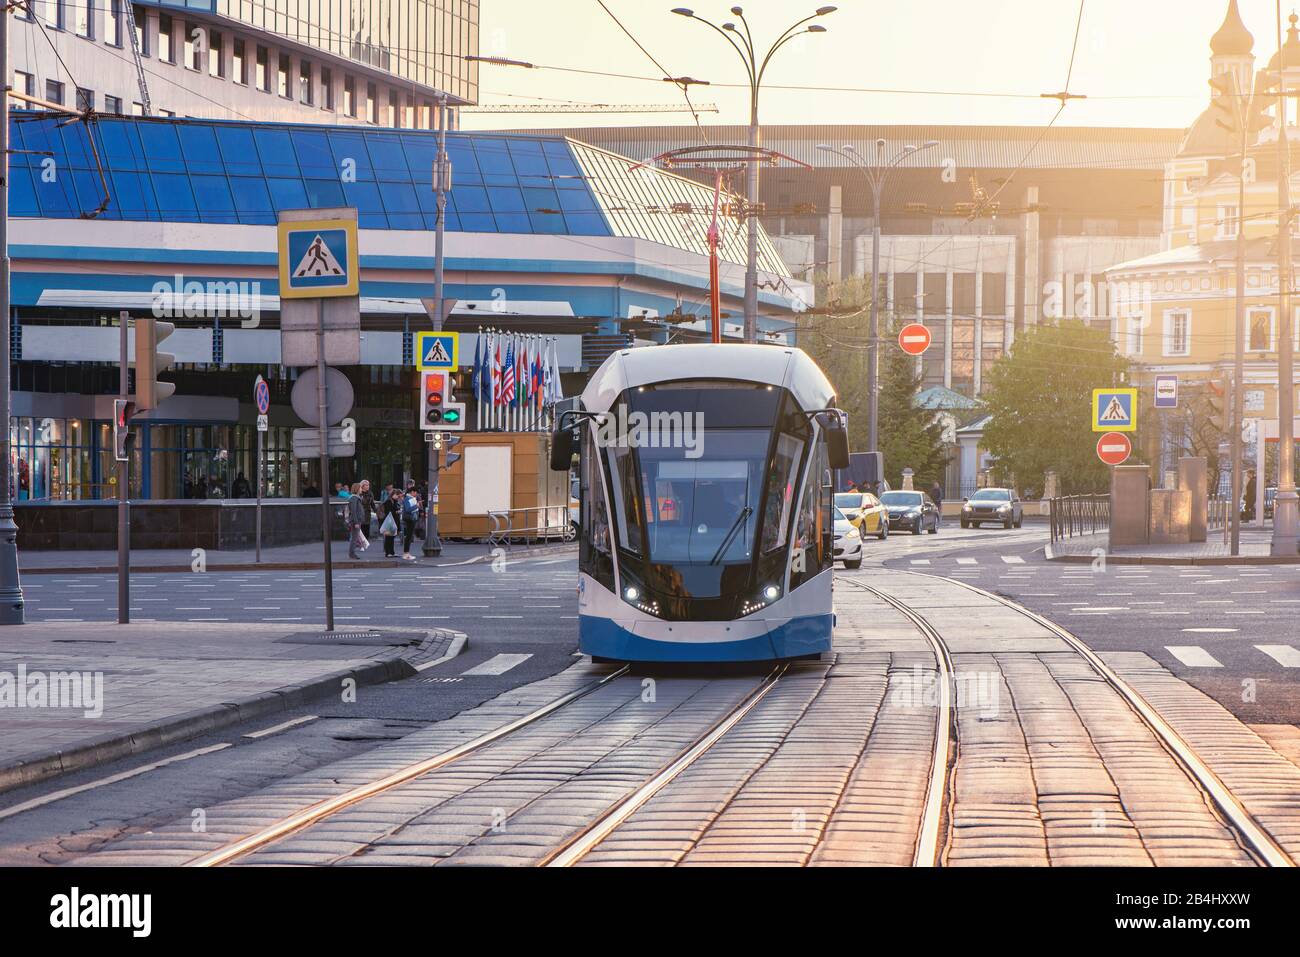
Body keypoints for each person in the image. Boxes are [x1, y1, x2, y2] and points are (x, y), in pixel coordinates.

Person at [346, 481, 369, 560]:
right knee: (354, 538)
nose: (361, 489)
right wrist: (356, 522)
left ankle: (352, 553)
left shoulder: (356, 498)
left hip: (356, 520)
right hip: (355, 521)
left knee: (355, 538)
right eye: (360, 488)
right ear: (357, 489)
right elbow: (354, 511)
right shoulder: (354, 498)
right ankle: (352, 554)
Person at [381, 487, 403, 558]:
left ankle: (392, 552)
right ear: (393, 494)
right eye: (397, 495)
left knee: (392, 537)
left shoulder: (395, 501)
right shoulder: (388, 502)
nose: (398, 497)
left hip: (394, 521)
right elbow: (389, 512)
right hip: (390, 521)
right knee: (389, 538)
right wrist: (397, 512)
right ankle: (388, 552)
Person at [401, 483, 421, 560]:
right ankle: (406, 553)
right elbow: (408, 509)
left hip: (411, 518)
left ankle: (407, 553)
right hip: (410, 519)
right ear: (412, 492)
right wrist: (416, 506)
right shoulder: (408, 498)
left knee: (409, 536)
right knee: (408, 536)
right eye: (415, 492)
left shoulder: (410, 498)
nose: (416, 494)